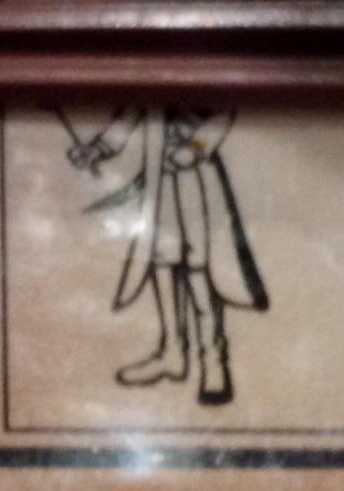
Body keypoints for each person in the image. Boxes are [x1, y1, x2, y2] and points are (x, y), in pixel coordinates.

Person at [62, 105, 268, 406]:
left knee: (199, 268)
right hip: (160, 180)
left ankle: (213, 362)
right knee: (161, 260)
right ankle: (172, 353)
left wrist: (196, 148)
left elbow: (224, 112)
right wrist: (96, 150)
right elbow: (131, 116)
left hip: (197, 182)